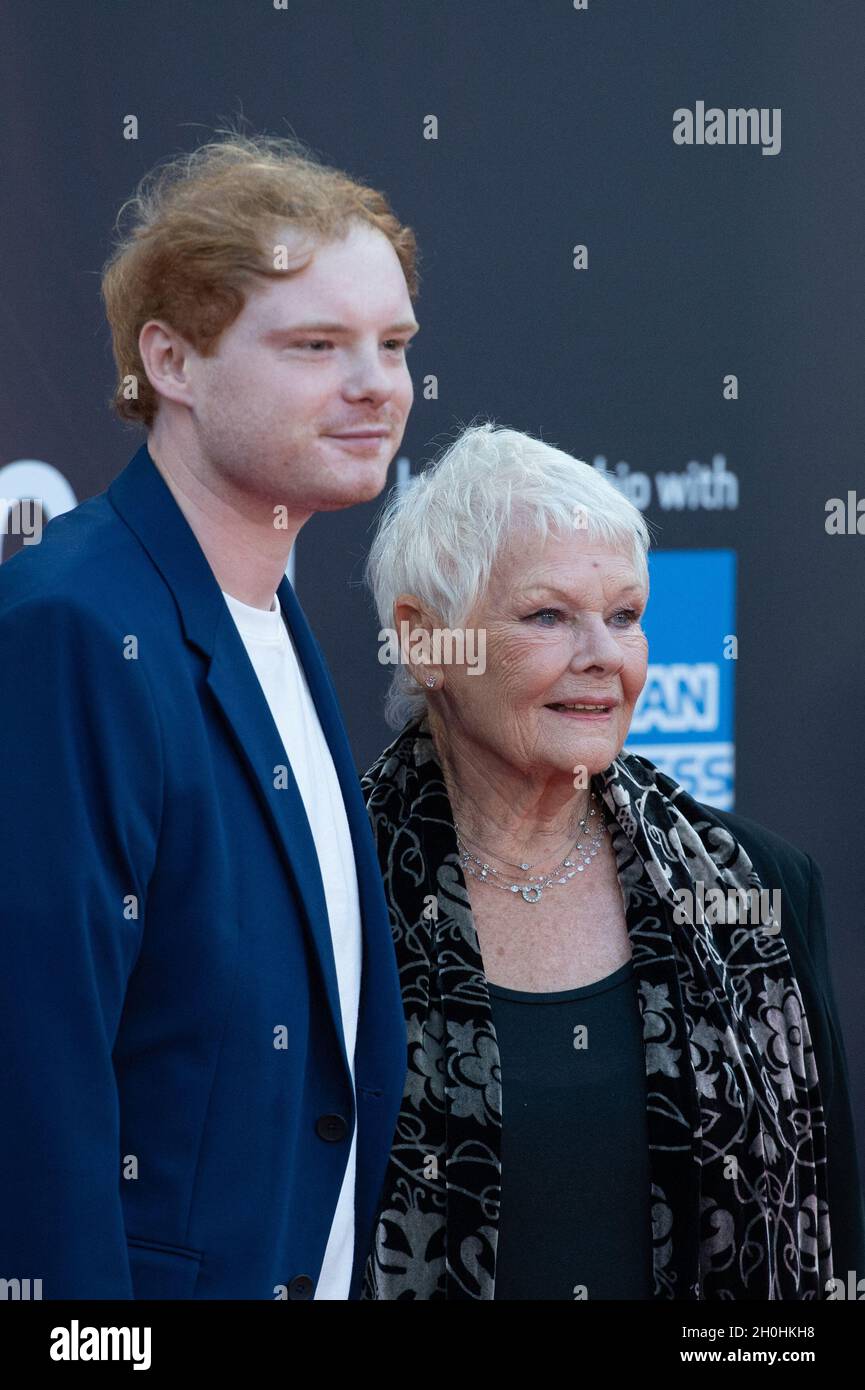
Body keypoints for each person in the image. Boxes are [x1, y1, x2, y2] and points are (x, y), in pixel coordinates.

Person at [0, 132, 420, 1299]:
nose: (375, 383)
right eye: (315, 346)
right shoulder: (70, 627)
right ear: (171, 362)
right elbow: (34, 1085)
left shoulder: (271, 617)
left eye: (392, 345)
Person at [359, 421, 865, 1300]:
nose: (602, 658)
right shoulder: (325, 886)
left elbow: (830, 1229)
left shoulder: (753, 882)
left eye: (624, 616)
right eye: (547, 615)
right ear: (424, 640)